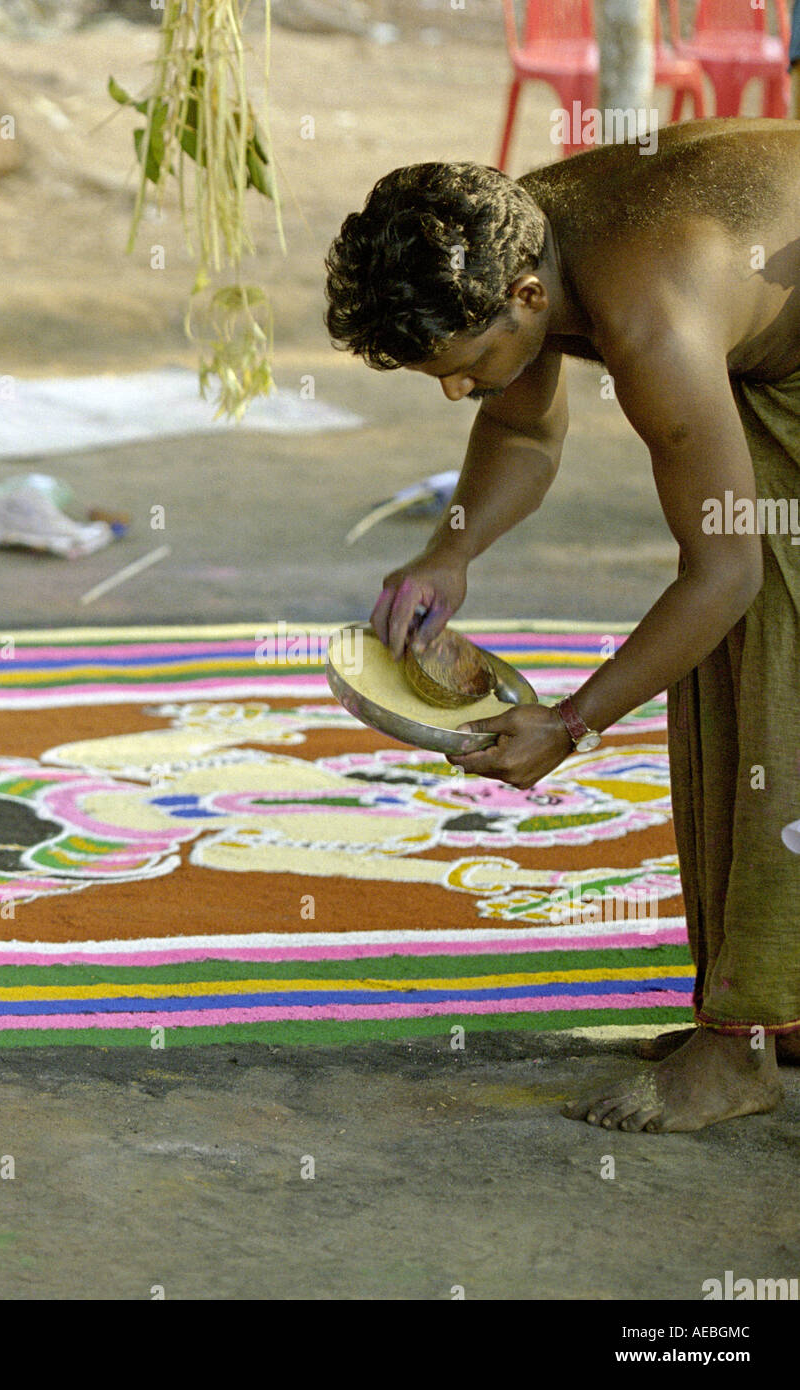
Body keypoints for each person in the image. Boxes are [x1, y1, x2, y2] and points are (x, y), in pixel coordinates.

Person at [324, 120, 800, 1133]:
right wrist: (448, 551)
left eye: (465, 362)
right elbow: (520, 425)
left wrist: (573, 724)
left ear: (528, 299)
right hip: (776, 339)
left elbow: (722, 573)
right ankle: (762, 1006)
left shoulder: (651, 313)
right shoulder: (514, 233)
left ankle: (742, 1046)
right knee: (729, 673)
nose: (457, 388)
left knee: (774, 671)